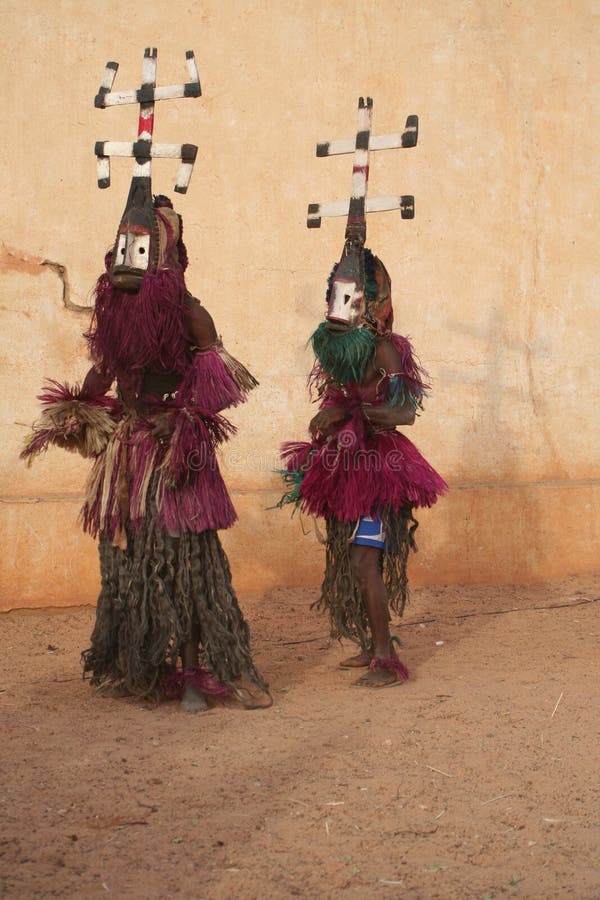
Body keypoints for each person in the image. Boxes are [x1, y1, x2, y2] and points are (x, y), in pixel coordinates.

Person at [22, 192, 269, 712]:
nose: (126, 260)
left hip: (175, 454)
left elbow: (214, 392)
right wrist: (77, 406)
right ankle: (141, 662)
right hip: (129, 452)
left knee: (184, 558)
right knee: (128, 556)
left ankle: (195, 670)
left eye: (141, 249)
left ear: (163, 255)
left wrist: (180, 424)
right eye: (122, 248)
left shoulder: (192, 317)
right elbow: (104, 369)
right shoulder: (116, 315)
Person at [280, 247, 447, 686]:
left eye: (352, 302)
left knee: (362, 561)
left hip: (379, 469)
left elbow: (405, 413)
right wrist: (334, 414)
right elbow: (339, 396)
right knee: (348, 556)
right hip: (346, 465)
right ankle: (375, 644)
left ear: (372, 306)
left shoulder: (386, 351)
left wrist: (352, 415)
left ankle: (386, 661)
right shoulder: (343, 353)